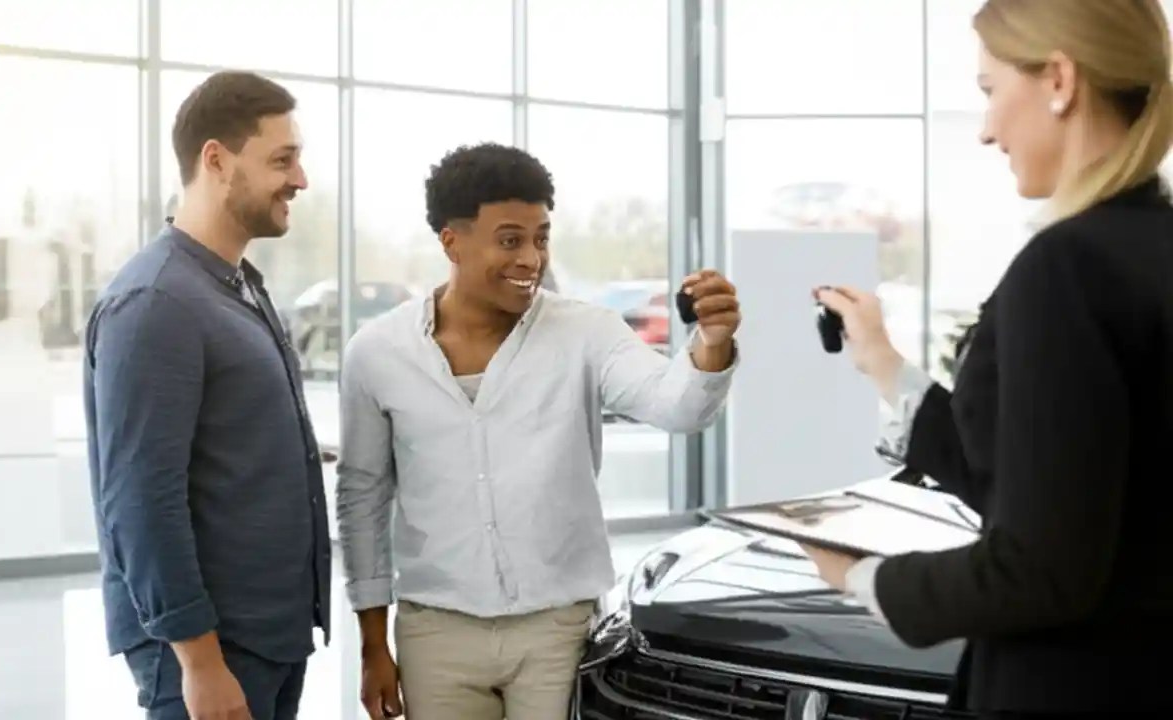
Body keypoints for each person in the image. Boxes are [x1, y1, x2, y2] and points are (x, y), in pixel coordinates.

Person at [805, 0, 1173, 716]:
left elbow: (1042, 569)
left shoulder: (1066, 267)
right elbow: (1048, 489)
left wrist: (864, 578)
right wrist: (884, 363)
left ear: (1060, 79)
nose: (984, 130)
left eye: (988, 89)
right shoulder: (1151, 253)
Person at [336, 142, 740, 720]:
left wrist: (712, 343)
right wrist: (374, 644)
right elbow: (362, 498)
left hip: (560, 629)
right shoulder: (377, 353)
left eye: (541, 238)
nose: (531, 258)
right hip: (437, 634)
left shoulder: (587, 332)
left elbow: (675, 407)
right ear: (451, 240)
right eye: (509, 240)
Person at [83, 70, 330, 720]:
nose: (300, 179)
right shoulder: (157, 301)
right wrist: (198, 662)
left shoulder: (237, 285)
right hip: (213, 651)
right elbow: (140, 498)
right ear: (215, 160)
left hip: (269, 640)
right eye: (283, 159)